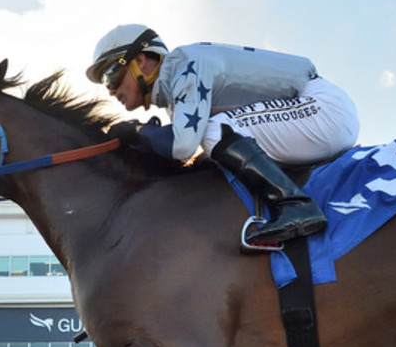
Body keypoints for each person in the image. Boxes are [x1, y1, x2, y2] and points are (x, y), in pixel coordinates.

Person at [86, 25, 360, 246]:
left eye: (110, 75)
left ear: (140, 61)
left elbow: (181, 146)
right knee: (211, 150)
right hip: (315, 114)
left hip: (323, 108)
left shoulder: (183, 65)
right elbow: (182, 151)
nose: (110, 90)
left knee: (214, 130)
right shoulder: (175, 96)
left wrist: (139, 131)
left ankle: (296, 206)